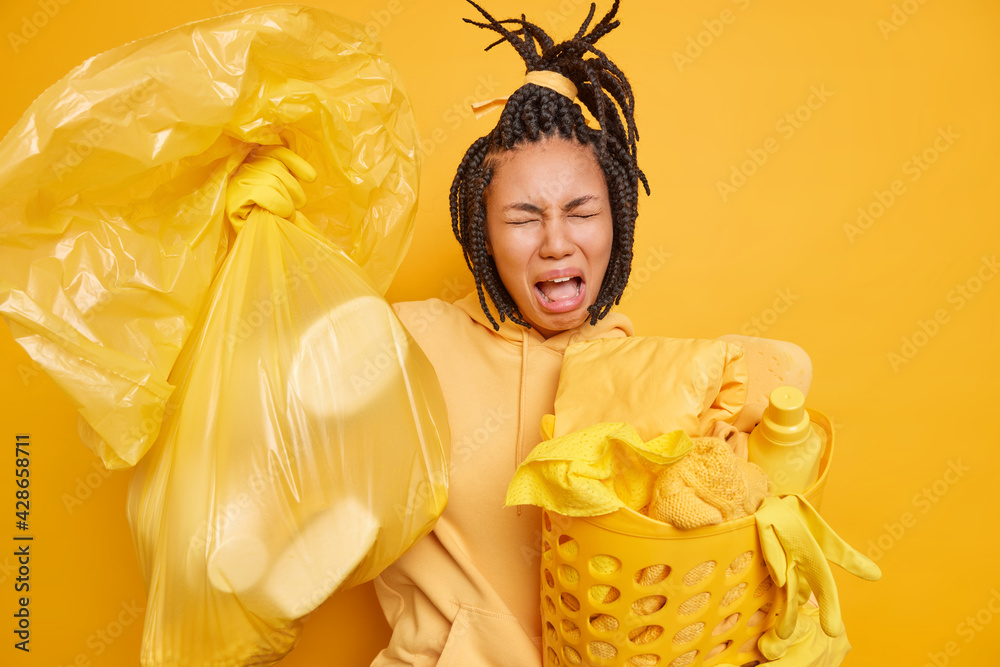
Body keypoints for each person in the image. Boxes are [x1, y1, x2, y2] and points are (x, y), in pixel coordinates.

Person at [370, 2, 650, 664]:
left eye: (582, 210)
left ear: (618, 220)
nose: (556, 242)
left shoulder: (642, 374)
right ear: (481, 233)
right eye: (523, 218)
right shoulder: (401, 346)